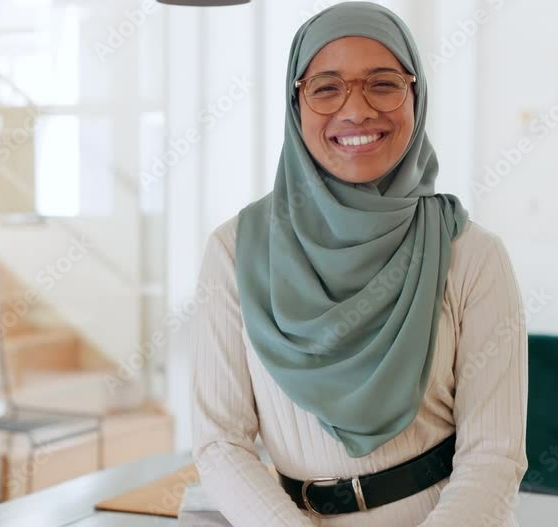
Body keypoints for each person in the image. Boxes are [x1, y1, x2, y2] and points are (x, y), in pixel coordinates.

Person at [189, 3, 527, 525]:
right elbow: (220, 443)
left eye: (383, 83)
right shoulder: (235, 250)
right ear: (294, 104)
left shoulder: (472, 255)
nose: (357, 110)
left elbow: (495, 454)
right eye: (326, 88)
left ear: (416, 96)